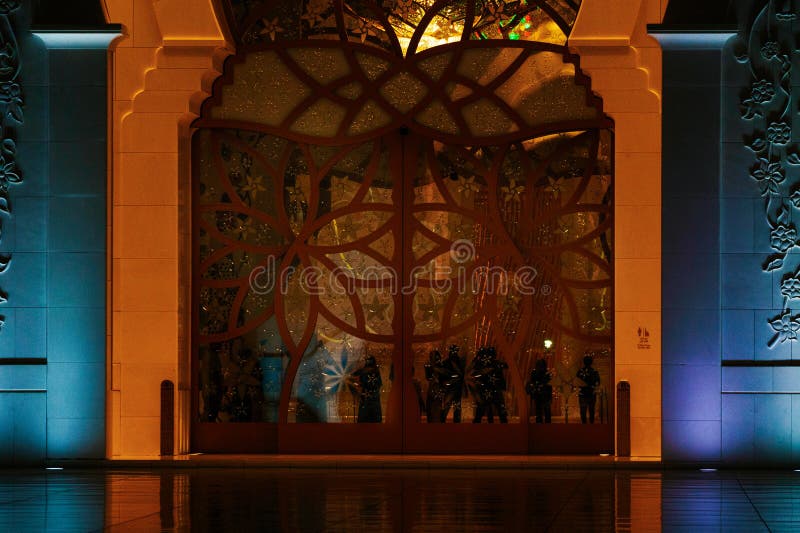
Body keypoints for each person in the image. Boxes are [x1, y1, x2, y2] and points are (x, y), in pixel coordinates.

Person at [351, 355, 382, 423]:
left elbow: (353, 375)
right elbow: (379, 384)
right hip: (372, 398)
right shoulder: (375, 371)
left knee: (366, 417)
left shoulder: (366, 371)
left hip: (368, 398)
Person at [440, 344, 466, 423]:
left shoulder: (457, 362)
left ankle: (445, 422)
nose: (454, 353)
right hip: (451, 388)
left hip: (455, 388)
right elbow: (442, 375)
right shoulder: (448, 362)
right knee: (449, 407)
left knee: (454, 408)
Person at [526, 358, 553, 423]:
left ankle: (541, 425)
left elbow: (549, 385)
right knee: (543, 411)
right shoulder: (544, 373)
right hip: (541, 394)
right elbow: (549, 385)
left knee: (541, 411)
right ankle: (545, 425)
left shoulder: (539, 373)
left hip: (542, 394)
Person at [576, 354, 600, 424]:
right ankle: (591, 425)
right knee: (591, 410)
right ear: (591, 362)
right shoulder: (594, 371)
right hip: (591, 393)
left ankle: (584, 425)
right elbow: (598, 382)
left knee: (583, 410)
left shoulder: (580, 371)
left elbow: (576, 381)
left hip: (583, 393)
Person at [424, 350, 444, 423]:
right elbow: (428, 377)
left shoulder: (440, 366)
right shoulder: (430, 366)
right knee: (431, 409)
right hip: (433, 389)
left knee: (436, 409)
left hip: (436, 389)